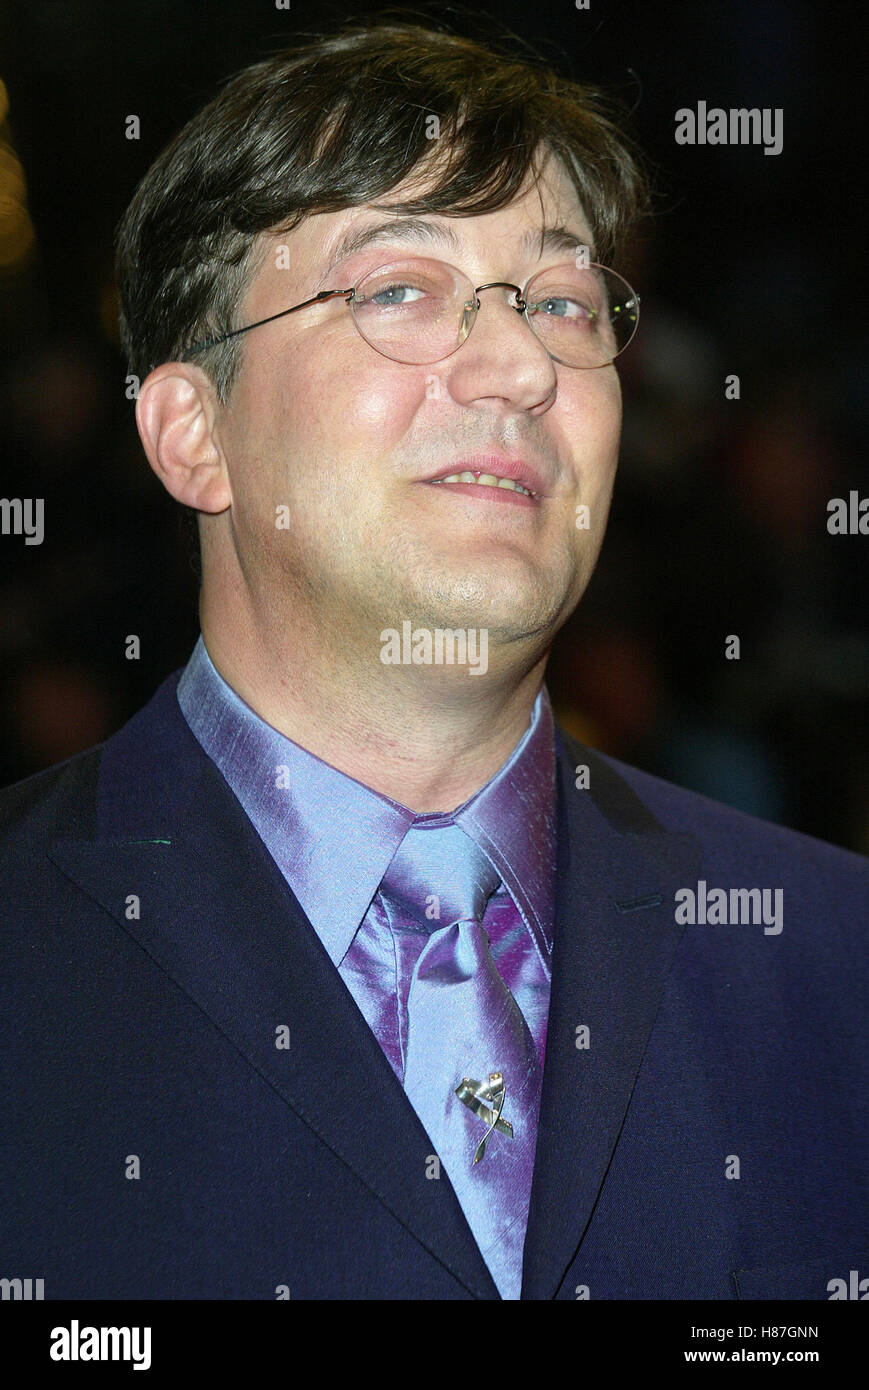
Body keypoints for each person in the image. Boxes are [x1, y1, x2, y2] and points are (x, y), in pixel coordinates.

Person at [2, 20, 866, 1302]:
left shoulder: (829, 959)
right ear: (192, 433)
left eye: (566, 302)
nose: (523, 363)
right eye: (398, 287)